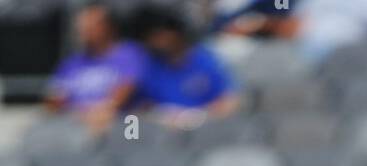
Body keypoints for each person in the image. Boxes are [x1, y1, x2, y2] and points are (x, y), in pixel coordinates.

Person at [45, 2, 146, 132]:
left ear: (108, 26)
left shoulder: (128, 54)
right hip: (75, 124)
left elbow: (124, 92)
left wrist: (99, 112)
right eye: (81, 27)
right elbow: (53, 99)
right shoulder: (71, 63)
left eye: (91, 26)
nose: (84, 31)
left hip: (121, 125)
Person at [136, 8, 241, 126]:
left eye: (161, 33)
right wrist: (160, 116)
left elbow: (230, 101)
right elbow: (142, 107)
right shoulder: (150, 65)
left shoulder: (206, 59)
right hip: (163, 131)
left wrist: (197, 117)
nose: (156, 40)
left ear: (176, 33)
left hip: (207, 128)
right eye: (152, 35)